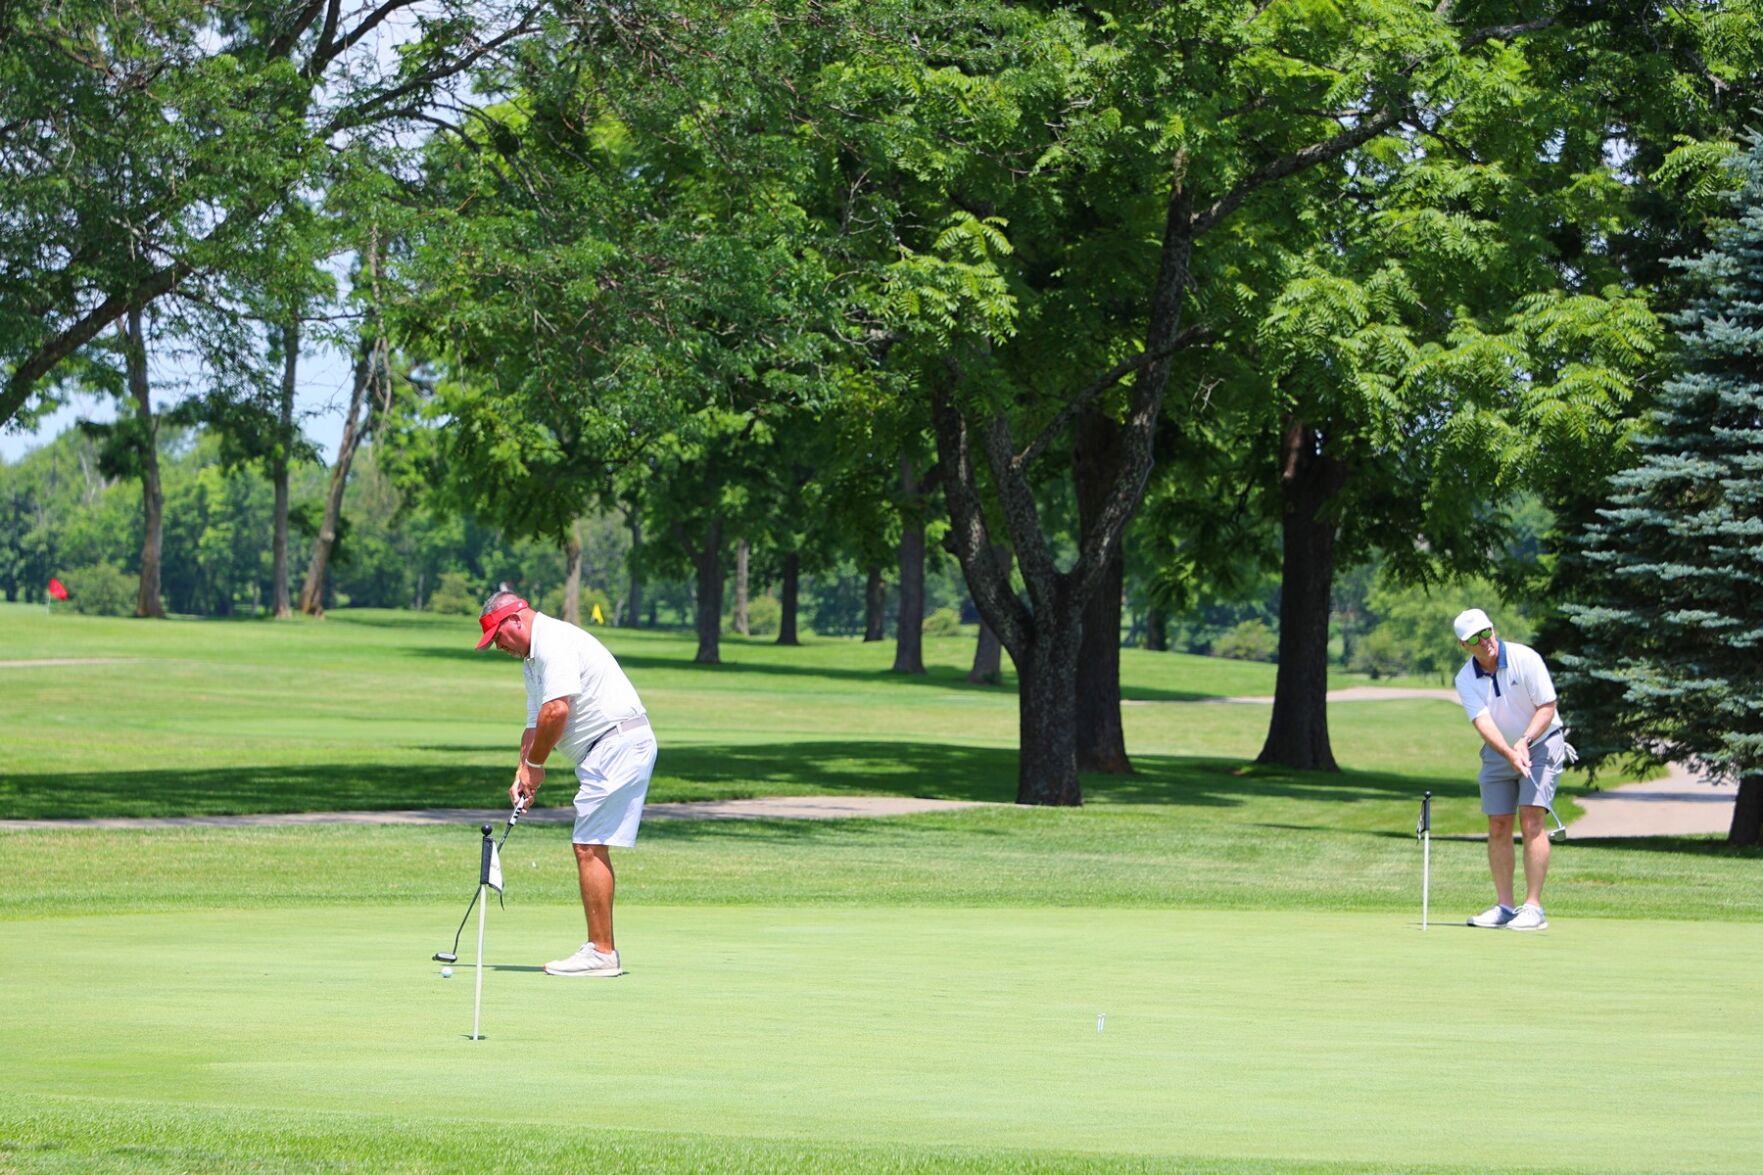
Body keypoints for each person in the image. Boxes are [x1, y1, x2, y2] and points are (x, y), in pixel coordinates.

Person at [476, 589, 658, 976]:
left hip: (616, 743)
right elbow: (536, 720)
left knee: (588, 847)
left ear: (515, 619)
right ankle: (600, 949)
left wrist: (537, 765)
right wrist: (522, 771)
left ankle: (602, 953)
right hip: (607, 748)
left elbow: (558, 711)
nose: (497, 647)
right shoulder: (532, 660)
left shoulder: (553, 641)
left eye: (497, 637)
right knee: (588, 845)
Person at [1451, 608, 1567, 932]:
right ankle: (1504, 906)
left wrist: (1524, 742)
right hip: (1499, 750)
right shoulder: (1465, 678)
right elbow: (1483, 722)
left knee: (1531, 819)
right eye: (1473, 638)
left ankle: (1533, 908)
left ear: (1493, 628)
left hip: (1542, 743)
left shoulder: (1524, 658)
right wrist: (1508, 751)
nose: (1483, 640)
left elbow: (1547, 706)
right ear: (1464, 645)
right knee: (1499, 824)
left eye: (1485, 631)